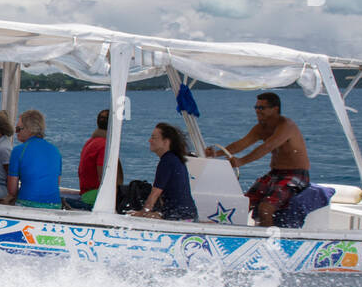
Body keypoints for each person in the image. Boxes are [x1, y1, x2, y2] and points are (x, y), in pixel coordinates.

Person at [204, 92, 310, 227]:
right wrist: (215, 154)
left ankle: (270, 243)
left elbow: (267, 147)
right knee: (244, 203)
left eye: (261, 108)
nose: (257, 111)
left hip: (296, 174)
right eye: (256, 108)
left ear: (275, 109)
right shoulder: (261, 128)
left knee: (265, 209)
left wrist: (241, 161)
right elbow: (241, 144)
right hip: (275, 173)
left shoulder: (286, 126)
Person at [131, 123, 197, 220]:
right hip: (187, 213)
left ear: (166, 142)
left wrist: (142, 213)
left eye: (154, 138)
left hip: (179, 216)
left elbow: (155, 194)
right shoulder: (174, 159)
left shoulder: (167, 161)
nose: (149, 140)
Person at [7, 109, 62, 209]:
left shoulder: (18, 150)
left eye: (18, 129)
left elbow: (12, 190)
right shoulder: (55, 151)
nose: (16, 133)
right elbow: (56, 183)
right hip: (55, 206)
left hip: (27, 204)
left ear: (29, 129)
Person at [75, 108, 123, 207]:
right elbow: (103, 177)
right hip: (95, 196)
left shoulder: (90, 142)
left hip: (86, 193)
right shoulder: (104, 145)